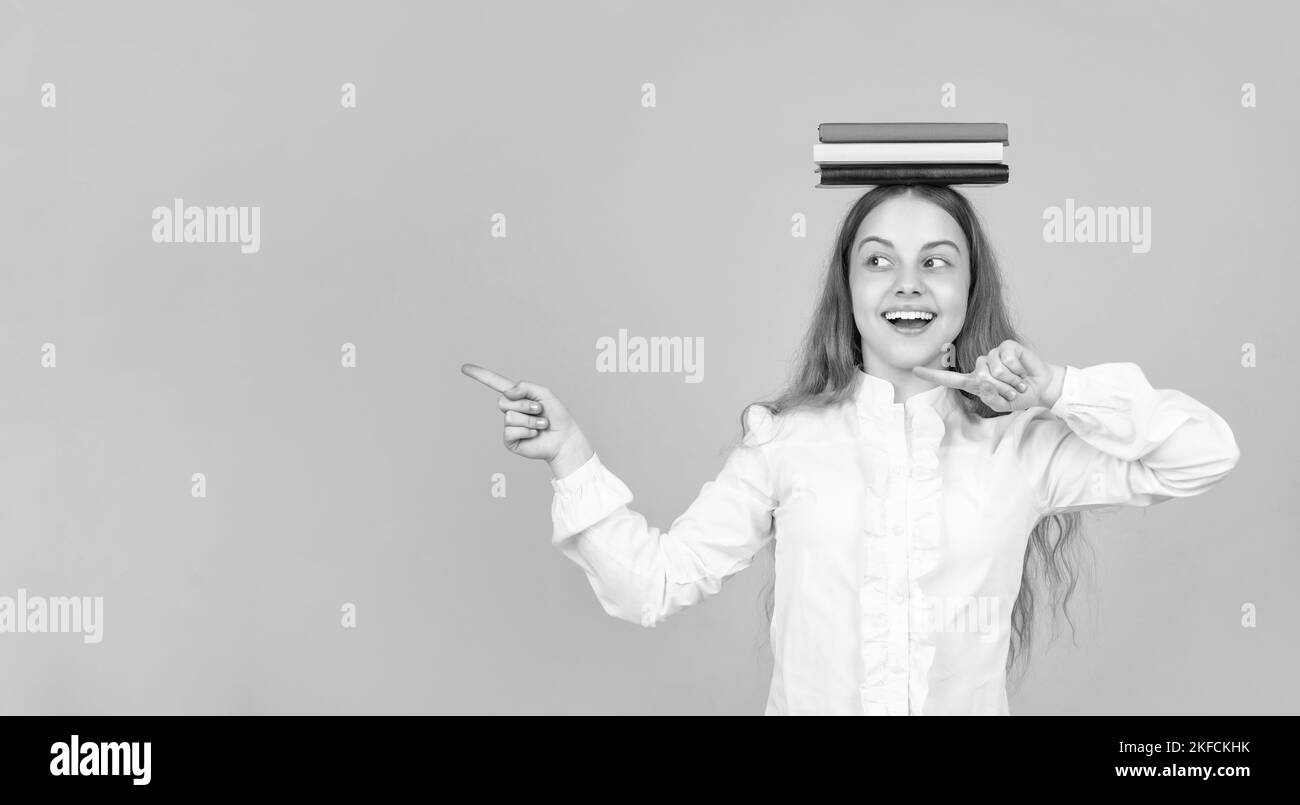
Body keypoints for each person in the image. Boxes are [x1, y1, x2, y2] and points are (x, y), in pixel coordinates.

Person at [461, 183, 1241, 715]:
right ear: (849, 288)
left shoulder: (1024, 445)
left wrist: (1061, 388)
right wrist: (571, 454)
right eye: (879, 260)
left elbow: (1203, 453)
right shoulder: (785, 439)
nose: (907, 283)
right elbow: (651, 585)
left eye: (937, 261)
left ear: (970, 289)